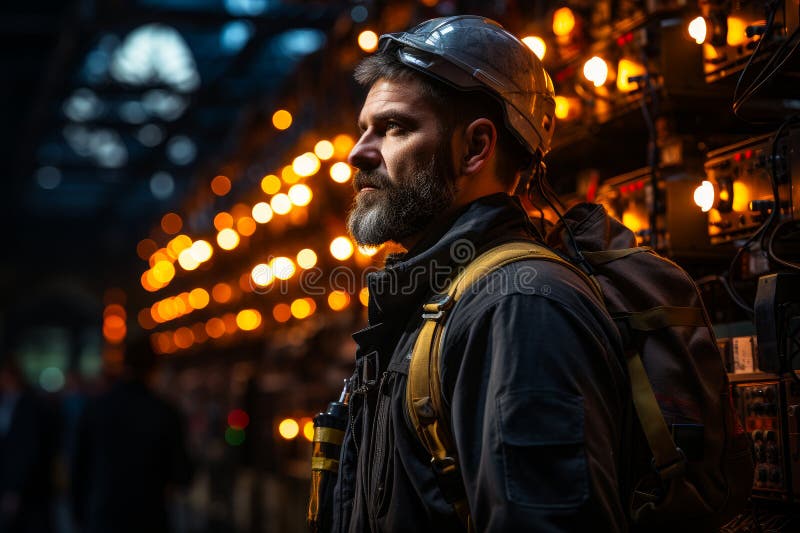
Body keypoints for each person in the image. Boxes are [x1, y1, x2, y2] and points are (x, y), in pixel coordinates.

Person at [332, 15, 629, 532]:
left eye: (394, 127)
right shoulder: (441, 302)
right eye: (364, 130)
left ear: (475, 147)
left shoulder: (520, 307)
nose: (359, 152)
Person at [71, 337, 193, 533]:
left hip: (104, 516)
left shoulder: (96, 408)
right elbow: (182, 474)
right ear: (154, 368)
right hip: (149, 517)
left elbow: (79, 466)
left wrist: (78, 514)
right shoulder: (165, 412)